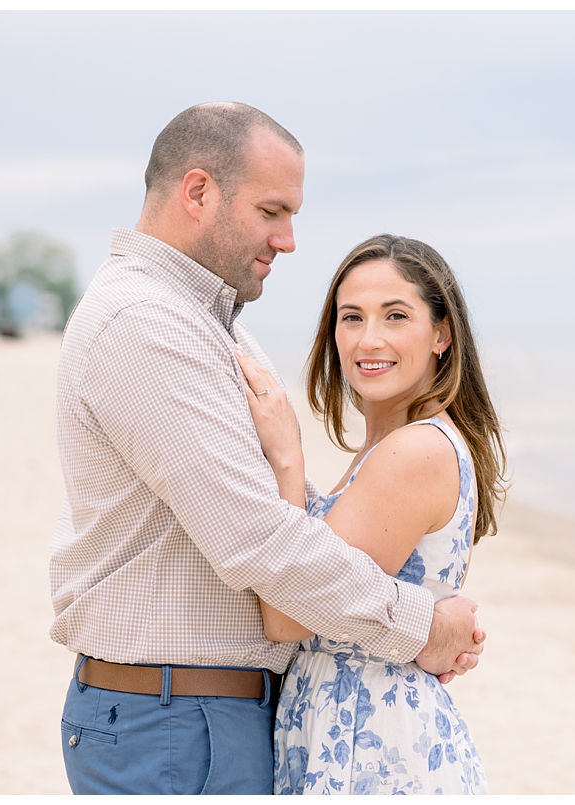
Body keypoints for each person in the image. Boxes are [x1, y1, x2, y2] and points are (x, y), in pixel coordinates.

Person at [49, 103, 485, 795]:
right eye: (272, 210)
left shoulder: (209, 323)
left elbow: (269, 522)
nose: (287, 240)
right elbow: (256, 538)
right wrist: (421, 622)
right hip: (175, 720)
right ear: (198, 192)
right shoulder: (147, 322)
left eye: (396, 316)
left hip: (201, 715)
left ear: (442, 334)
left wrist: (291, 471)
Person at [234, 234, 507, 795]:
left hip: (371, 742)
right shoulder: (390, 448)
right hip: (350, 729)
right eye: (351, 317)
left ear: (441, 334)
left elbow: (289, 618)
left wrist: (286, 458)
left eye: (396, 316)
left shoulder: (416, 452)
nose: (368, 339)